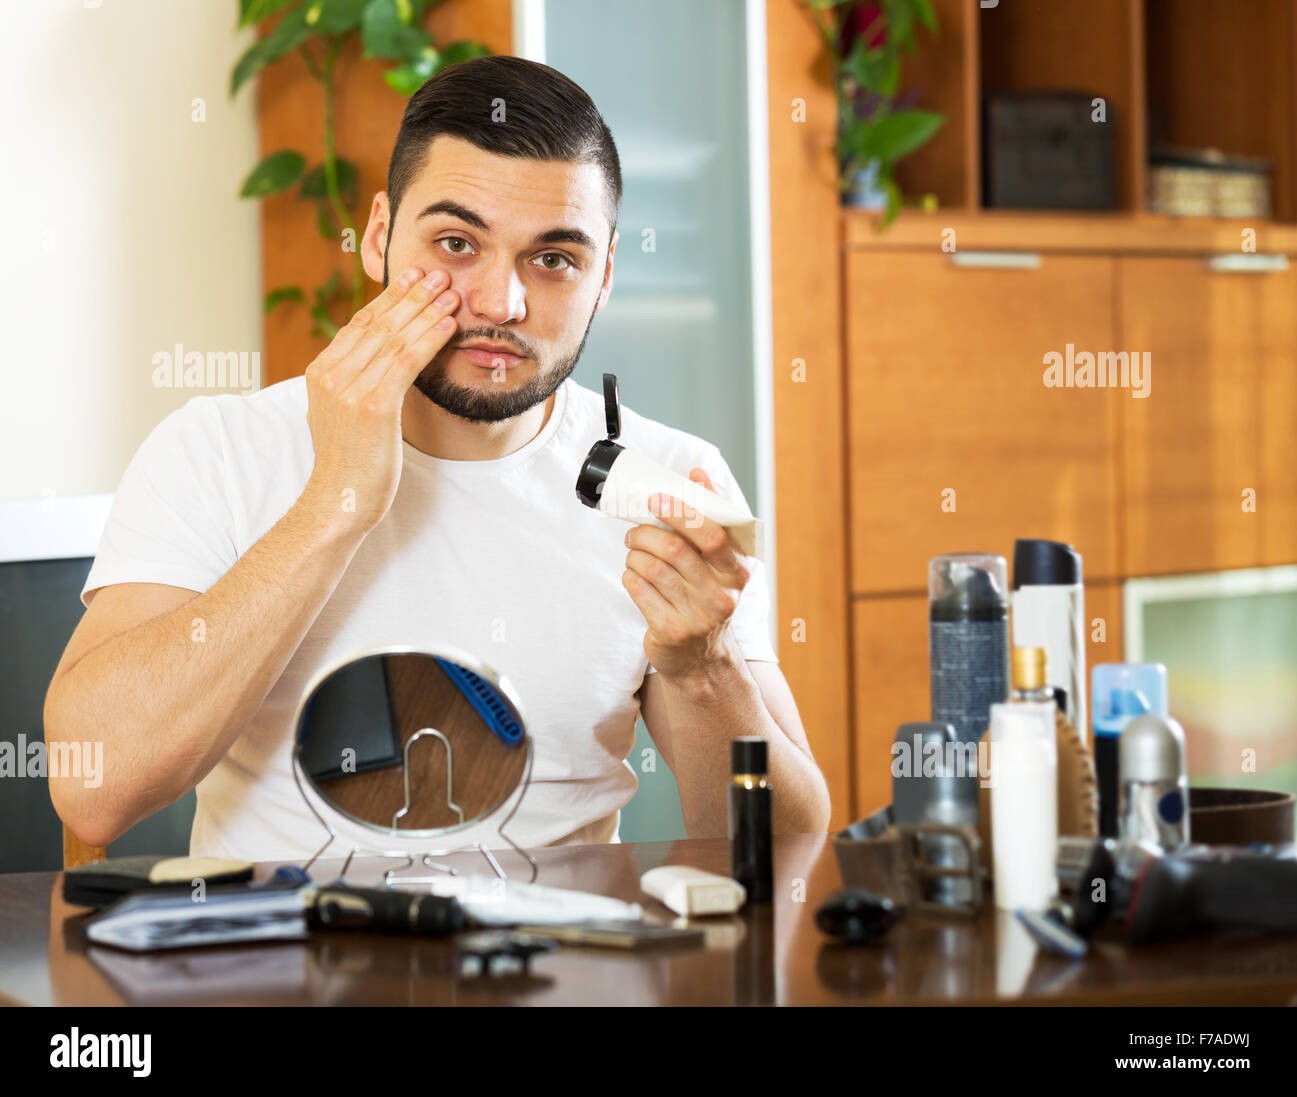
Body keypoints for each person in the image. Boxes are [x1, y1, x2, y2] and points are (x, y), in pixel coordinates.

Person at [45, 55, 831, 861]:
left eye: (554, 258)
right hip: (276, 973)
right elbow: (95, 788)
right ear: (381, 235)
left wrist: (704, 666)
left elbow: (789, 856)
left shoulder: (668, 482)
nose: (502, 302)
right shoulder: (219, 449)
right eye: (457, 243)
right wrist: (335, 506)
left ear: (604, 278)